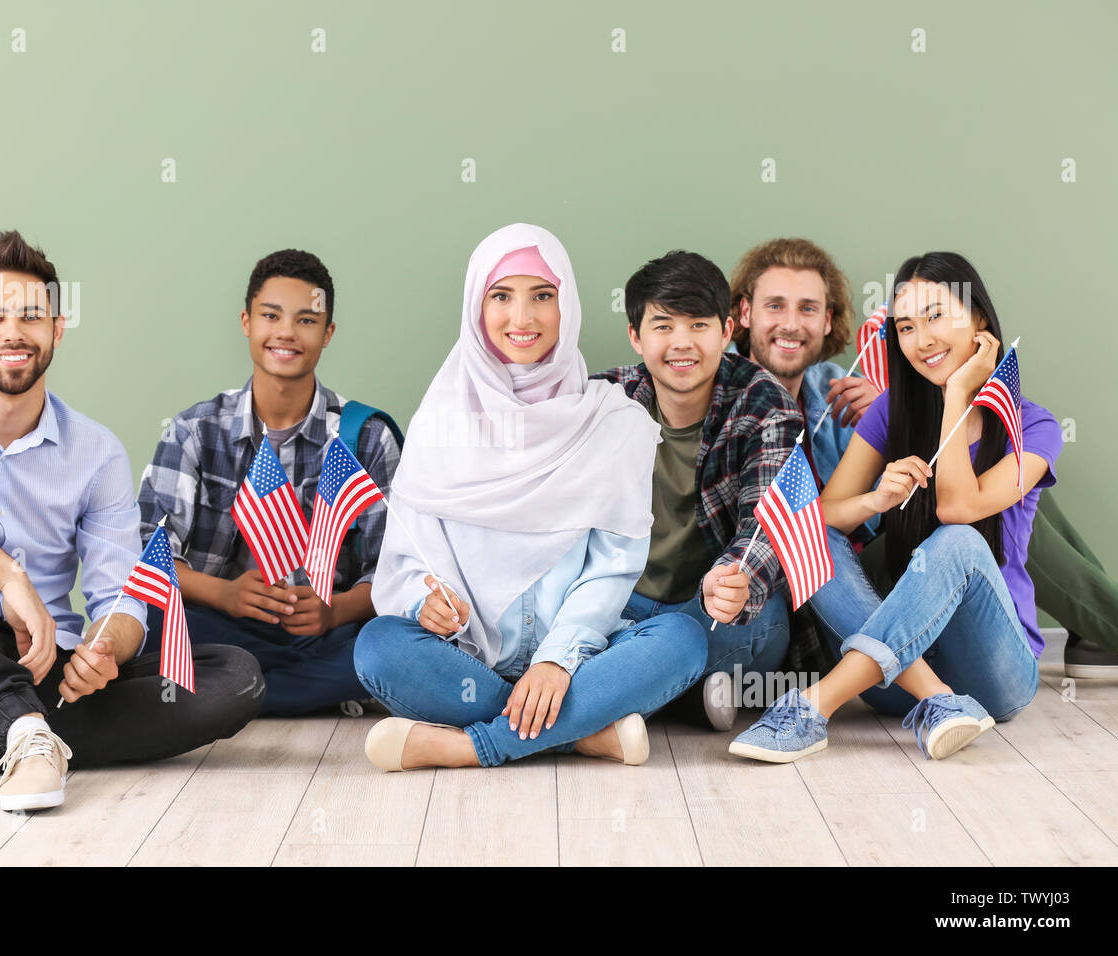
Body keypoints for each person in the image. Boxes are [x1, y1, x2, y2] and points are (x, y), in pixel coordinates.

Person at [0, 230, 263, 811]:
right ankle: (21, 730)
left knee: (233, 674)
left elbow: (122, 596)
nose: (12, 332)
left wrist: (104, 649)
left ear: (56, 329)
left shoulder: (96, 453)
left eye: (30, 316)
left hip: (46, 668)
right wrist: (8, 577)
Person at [353, 223, 705, 771]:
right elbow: (406, 559)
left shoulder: (614, 421)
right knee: (377, 646)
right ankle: (582, 734)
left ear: (567, 308)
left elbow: (613, 569)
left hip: (582, 659)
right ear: (476, 307)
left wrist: (557, 661)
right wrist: (425, 602)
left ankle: (472, 745)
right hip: (464, 658)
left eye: (542, 296)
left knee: (683, 638)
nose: (523, 318)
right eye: (501, 296)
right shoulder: (440, 422)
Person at [733, 236, 1118, 677]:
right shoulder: (736, 393)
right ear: (744, 314)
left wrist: (947, 396)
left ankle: (1099, 628)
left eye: (807, 308)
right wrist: (877, 491)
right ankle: (1100, 627)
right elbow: (810, 522)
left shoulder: (835, 386)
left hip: (968, 624)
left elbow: (957, 512)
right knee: (819, 533)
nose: (922, 340)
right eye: (906, 327)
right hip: (848, 586)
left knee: (1012, 492)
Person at [137, 249, 402, 716]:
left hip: (329, 628)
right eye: (271, 315)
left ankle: (235, 690)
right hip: (222, 624)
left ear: (327, 333)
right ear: (246, 322)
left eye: (306, 320)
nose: (286, 333)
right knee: (150, 621)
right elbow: (146, 557)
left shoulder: (367, 437)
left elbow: (394, 571)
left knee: (398, 641)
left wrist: (334, 611)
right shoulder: (194, 431)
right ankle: (306, 689)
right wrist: (225, 594)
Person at [592, 251, 803, 730]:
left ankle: (616, 691)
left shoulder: (764, 401)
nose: (681, 344)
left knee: (765, 620)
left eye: (699, 326)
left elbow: (768, 524)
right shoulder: (604, 400)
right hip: (621, 605)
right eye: (663, 326)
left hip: (707, 610)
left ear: (727, 331)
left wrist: (734, 576)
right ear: (635, 336)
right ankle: (680, 699)